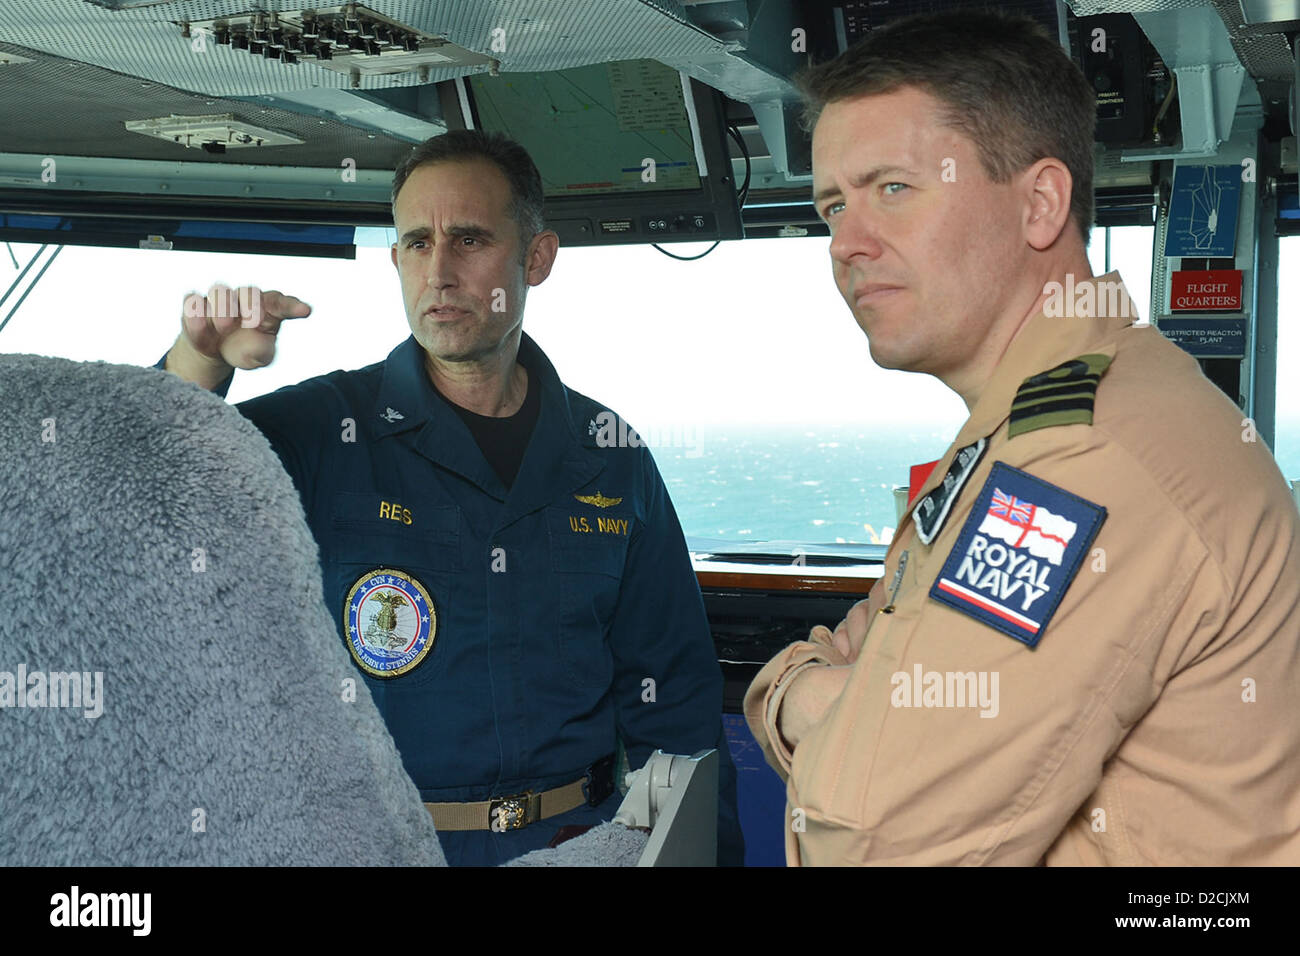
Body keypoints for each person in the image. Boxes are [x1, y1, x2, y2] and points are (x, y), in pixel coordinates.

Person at [744, 10, 1300, 865]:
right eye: (831, 205)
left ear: (1040, 202)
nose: (846, 245)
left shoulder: (1087, 457)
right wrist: (845, 708)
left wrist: (794, 697)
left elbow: (871, 836)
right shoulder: (1021, 433)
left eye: (893, 187)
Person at [159, 129, 743, 866]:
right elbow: (158, 498)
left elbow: (678, 693)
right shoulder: (321, 430)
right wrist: (202, 360)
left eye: (467, 239)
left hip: (575, 844)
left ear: (536, 257)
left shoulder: (608, 454)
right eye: (415, 243)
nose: (438, 271)